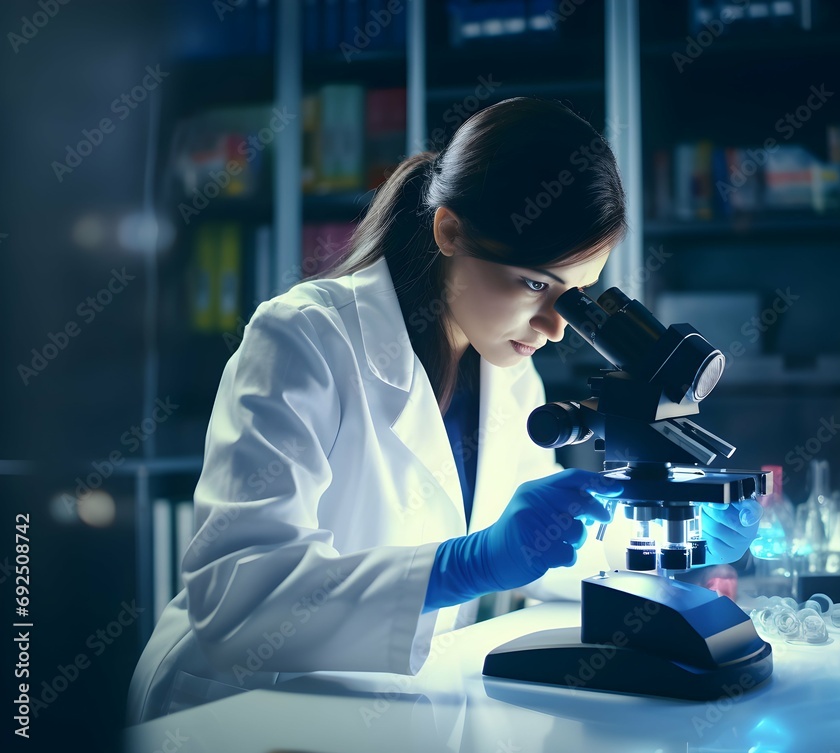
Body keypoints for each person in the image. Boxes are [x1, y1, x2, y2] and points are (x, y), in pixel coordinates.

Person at [126, 97, 761, 724]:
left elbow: (540, 554)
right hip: (234, 712)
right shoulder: (305, 339)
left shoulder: (512, 377)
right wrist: (468, 564)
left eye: (577, 295)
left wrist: (671, 539)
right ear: (449, 231)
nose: (556, 326)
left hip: (392, 711)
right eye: (535, 284)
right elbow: (238, 600)